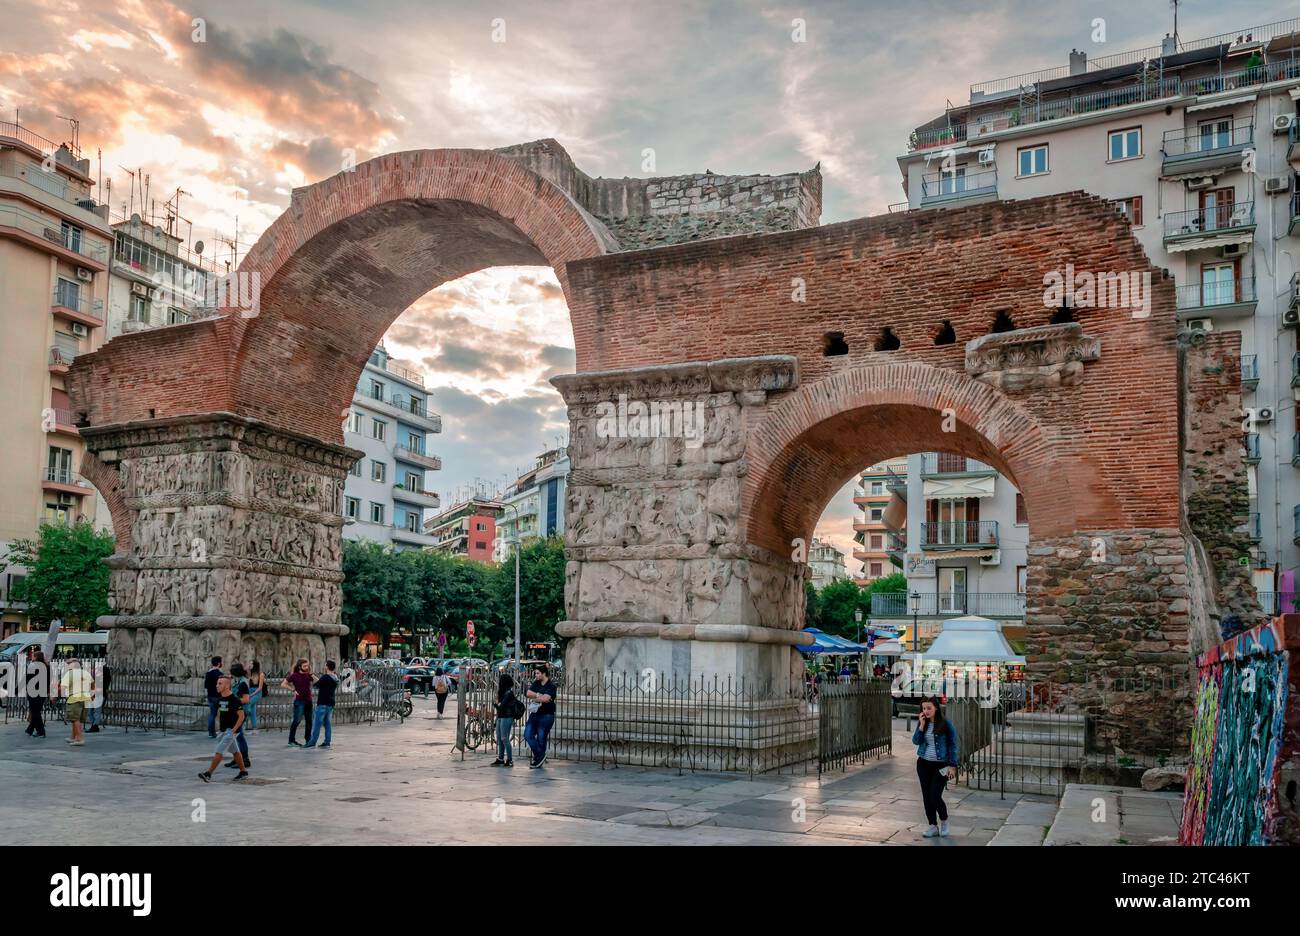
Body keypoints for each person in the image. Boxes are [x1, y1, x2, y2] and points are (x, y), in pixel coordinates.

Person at [912, 696, 959, 838]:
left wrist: (952, 765)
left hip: (941, 766)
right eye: (924, 708)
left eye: (929, 708)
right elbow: (916, 741)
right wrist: (920, 725)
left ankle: (944, 820)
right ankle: (932, 825)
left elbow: (953, 745)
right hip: (923, 764)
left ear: (936, 708)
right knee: (927, 797)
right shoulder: (923, 723)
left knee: (935, 795)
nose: (926, 711)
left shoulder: (946, 724)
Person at [199, 676, 248, 782]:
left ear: (226, 685)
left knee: (219, 751)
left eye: (220, 683)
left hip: (231, 731)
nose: (217, 685)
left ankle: (208, 774)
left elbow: (241, 716)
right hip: (223, 730)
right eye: (217, 683)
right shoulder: (220, 699)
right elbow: (219, 713)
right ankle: (243, 771)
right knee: (235, 751)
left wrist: (234, 730)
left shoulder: (234, 699)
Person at [523, 663, 557, 769]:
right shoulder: (536, 683)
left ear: (544, 673)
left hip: (546, 715)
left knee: (541, 738)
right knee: (527, 735)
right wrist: (538, 695)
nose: (536, 675)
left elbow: (546, 699)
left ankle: (538, 760)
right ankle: (540, 755)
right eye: (535, 673)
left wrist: (536, 697)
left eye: (538, 673)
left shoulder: (551, 686)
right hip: (535, 713)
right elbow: (528, 693)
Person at [224, 663, 254, 770]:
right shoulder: (238, 681)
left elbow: (246, 699)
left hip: (241, 711)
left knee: (239, 736)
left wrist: (233, 700)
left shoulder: (243, 683)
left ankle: (245, 760)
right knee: (235, 736)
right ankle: (237, 758)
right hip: (236, 710)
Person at [60, 658, 95, 746]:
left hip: (74, 698)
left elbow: (63, 687)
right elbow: (93, 685)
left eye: (69, 664)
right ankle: (73, 737)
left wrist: (63, 696)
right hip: (86, 698)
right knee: (77, 719)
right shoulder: (86, 673)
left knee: (74, 719)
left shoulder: (69, 674)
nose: (67, 666)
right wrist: (92, 695)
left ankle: (79, 738)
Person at [306, 660, 340, 749]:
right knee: (327, 724)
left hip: (323, 703)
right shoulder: (335, 678)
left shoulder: (325, 677)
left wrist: (311, 675)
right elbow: (321, 682)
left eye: (325, 665)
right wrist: (312, 674)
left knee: (317, 723)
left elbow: (316, 685)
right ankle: (327, 742)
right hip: (331, 703)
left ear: (327, 667)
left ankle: (312, 742)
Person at [282, 658, 314, 747]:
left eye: (307, 665)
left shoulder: (309, 675)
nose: (307, 667)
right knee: (297, 720)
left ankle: (308, 739)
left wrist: (312, 674)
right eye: (304, 666)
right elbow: (283, 684)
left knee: (309, 721)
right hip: (299, 701)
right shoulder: (294, 675)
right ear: (300, 667)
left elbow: (318, 681)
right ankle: (291, 740)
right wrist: (293, 689)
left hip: (309, 700)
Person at [492, 672, 520, 767]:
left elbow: (501, 706)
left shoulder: (509, 693)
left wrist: (496, 704)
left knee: (504, 738)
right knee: (499, 738)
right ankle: (500, 758)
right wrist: (497, 704)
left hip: (507, 717)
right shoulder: (502, 692)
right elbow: (499, 705)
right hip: (500, 716)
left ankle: (510, 760)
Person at [24, 649, 48, 739]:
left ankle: (41, 731)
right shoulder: (47, 666)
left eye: (33, 656)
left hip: (33, 691)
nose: (31, 657)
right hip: (43, 692)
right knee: (36, 711)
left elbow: (27, 679)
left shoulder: (33, 666)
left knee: (35, 712)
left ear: (36, 657)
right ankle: (30, 729)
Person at [204, 656, 224, 738]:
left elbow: (206, 685)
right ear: (219, 663)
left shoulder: (208, 673)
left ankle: (211, 732)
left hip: (210, 696)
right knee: (223, 713)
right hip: (219, 697)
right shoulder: (219, 674)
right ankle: (223, 730)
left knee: (212, 714)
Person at [245, 660, 266, 729]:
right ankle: (255, 727)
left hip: (257, 692)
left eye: (251, 664)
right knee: (253, 710)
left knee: (247, 706)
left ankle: (242, 725)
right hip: (250, 692)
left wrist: (252, 695)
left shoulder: (261, 674)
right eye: (250, 663)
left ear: (255, 665)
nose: (250, 665)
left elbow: (260, 688)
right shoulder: (250, 673)